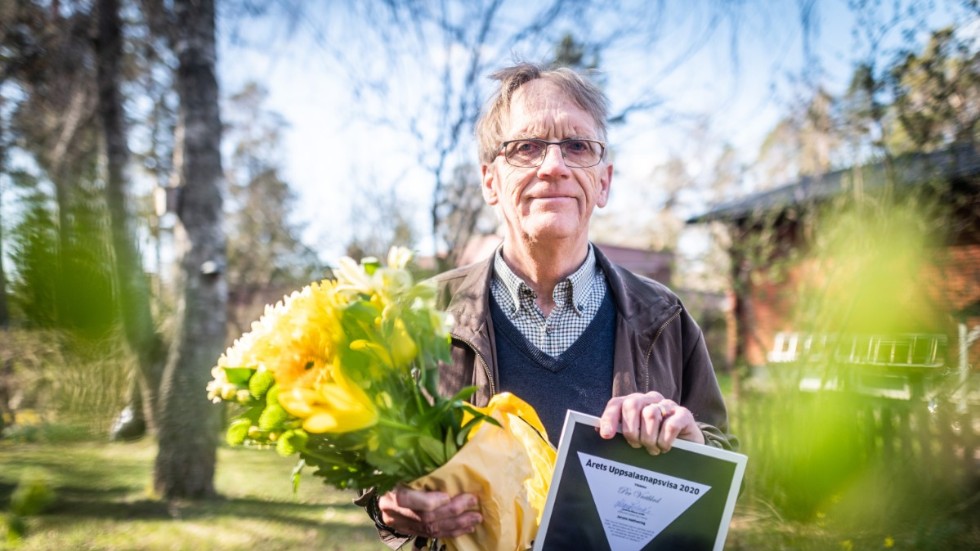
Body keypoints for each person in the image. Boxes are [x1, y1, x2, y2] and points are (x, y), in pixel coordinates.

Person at [356, 62, 736, 548]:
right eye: (526, 147)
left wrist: (693, 442)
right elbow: (373, 468)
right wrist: (391, 500)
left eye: (577, 147)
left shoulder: (664, 318)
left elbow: (723, 455)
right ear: (491, 181)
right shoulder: (419, 317)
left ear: (603, 181)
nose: (553, 166)